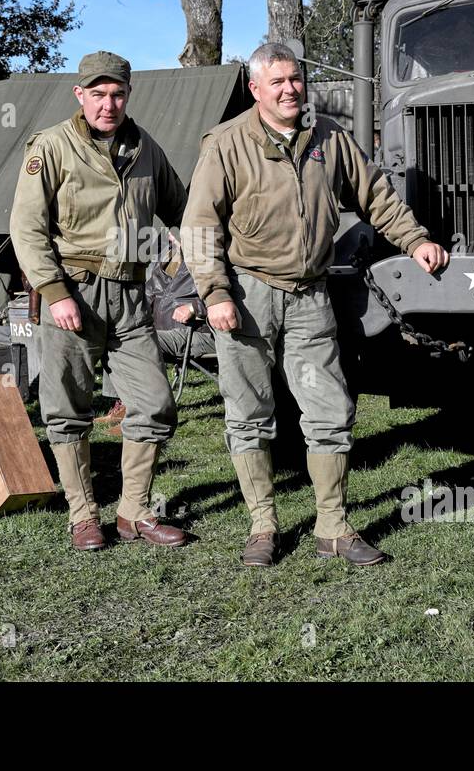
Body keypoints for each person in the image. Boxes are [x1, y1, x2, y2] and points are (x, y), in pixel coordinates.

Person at [182, 42, 450, 567]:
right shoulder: (225, 144)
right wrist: (213, 292)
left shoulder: (328, 137)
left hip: (310, 294)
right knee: (249, 412)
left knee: (330, 410)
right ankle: (263, 526)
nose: (289, 90)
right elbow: (199, 226)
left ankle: (334, 526)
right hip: (246, 294)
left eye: (295, 79)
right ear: (256, 90)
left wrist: (415, 240)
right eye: (277, 82)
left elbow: (376, 196)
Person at [10, 52, 189, 551]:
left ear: (127, 96)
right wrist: (54, 292)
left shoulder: (144, 148)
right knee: (68, 408)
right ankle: (84, 516)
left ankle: (134, 512)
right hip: (74, 292)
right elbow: (26, 229)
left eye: (117, 94)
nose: (108, 104)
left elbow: (184, 206)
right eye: (98, 94)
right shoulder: (51, 147)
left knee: (154, 403)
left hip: (132, 296)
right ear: (80, 95)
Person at [98, 241, 217, 433]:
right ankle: (124, 404)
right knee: (115, 335)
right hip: (162, 328)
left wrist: (194, 308)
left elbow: (223, 293)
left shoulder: (206, 254)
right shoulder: (167, 255)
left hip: (196, 331)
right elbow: (149, 293)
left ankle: (143, 413)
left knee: (136, 345)